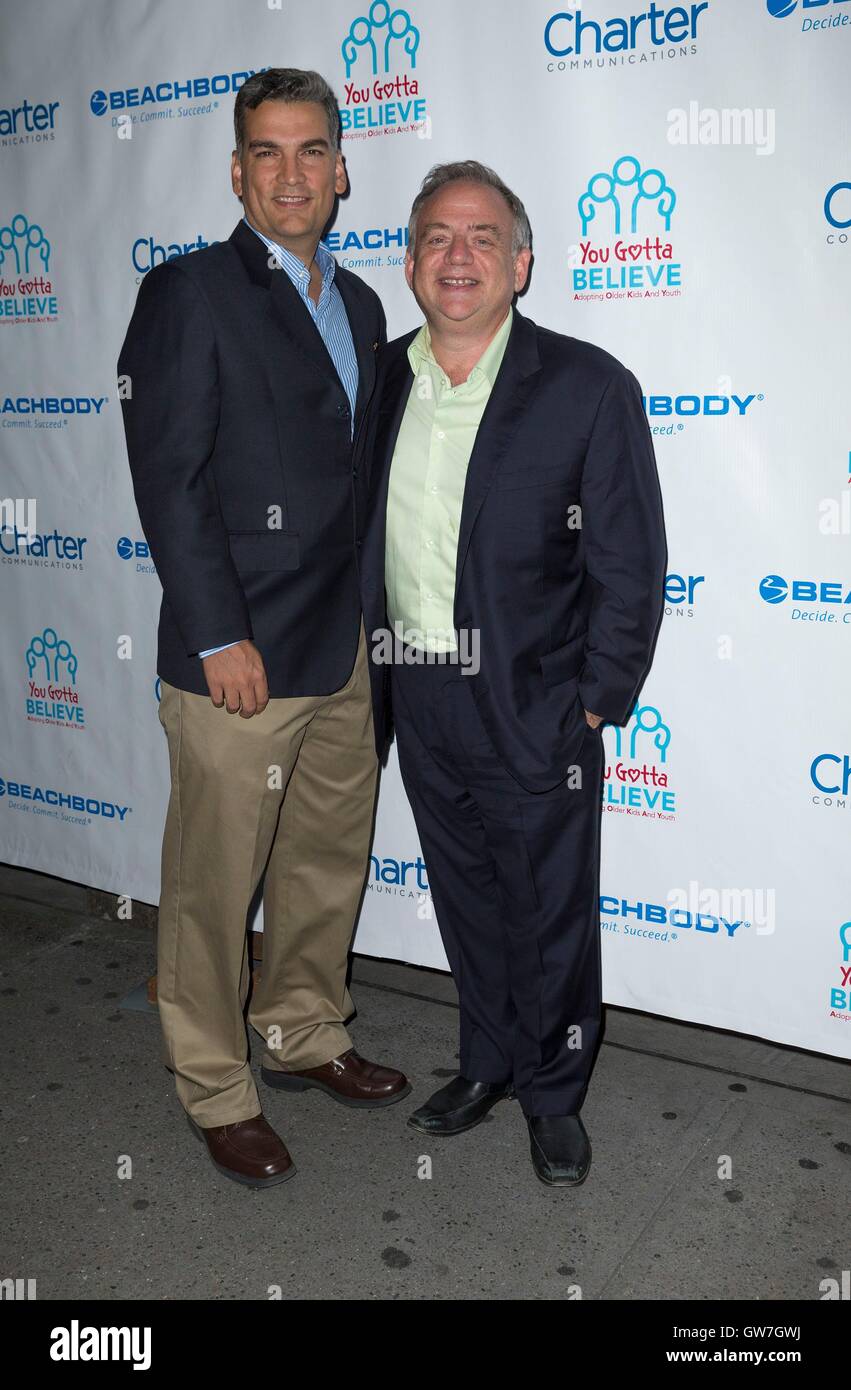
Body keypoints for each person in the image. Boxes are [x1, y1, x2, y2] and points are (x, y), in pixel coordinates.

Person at [117, 68, 409, 1191]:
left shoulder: (367, 305)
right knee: (211, 877)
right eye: (267, 153)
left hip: (342, 651)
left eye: (312, 152)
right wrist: (213, 634)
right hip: (235, 654)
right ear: (237, 173)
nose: (292, 174)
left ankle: (302, 1029)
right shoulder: (190, 292)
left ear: (342, 170)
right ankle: (214, 1083)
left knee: (325, 862)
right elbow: (169, 480)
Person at [360, 160, 666, 1187]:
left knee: (548, 906)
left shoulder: (584, 386)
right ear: (408, 262)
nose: (458, 256)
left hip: (534, 698)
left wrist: (593, 699)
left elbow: (628, 560)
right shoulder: (381, 377)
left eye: (483, 237)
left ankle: (552, 1091)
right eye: (437, 238)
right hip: (416, 684)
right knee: (466, 894)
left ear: (521, 263)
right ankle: (486, 1060)